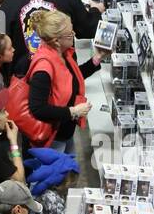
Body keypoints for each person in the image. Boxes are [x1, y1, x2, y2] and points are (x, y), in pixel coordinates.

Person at [24, 10, 103, 153]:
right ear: (56, 40)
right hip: (52, 139)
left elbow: (71, 78)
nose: (73, 35)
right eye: (69, 34)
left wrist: (97, 59)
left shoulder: (62, 54)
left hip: (64, 131)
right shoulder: (44, 68)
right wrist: (73, 111)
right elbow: (38, 109)